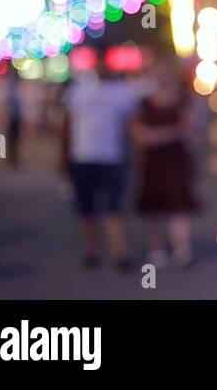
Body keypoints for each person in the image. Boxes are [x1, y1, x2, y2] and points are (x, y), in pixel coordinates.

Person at [60, 55, 141, 271]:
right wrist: (63, 155)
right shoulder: (78, 91)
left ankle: (119, 252)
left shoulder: (122, 93)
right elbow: (67, 124)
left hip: (111, 156)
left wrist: (139, 152)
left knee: (113, 206)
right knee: (87, 207)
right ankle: (92, 250)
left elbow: (131, 125)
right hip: (83, 156)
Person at [131, 57, 199, 268]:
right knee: (153, 207)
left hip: (175, 160)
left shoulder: (181, 100)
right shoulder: (143, 103)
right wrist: (169, 134)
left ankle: (182, 248)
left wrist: (157, 136)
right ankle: (157, 249)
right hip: (153, 162)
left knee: (178, 205)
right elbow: (140, 134)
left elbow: (188, 129)